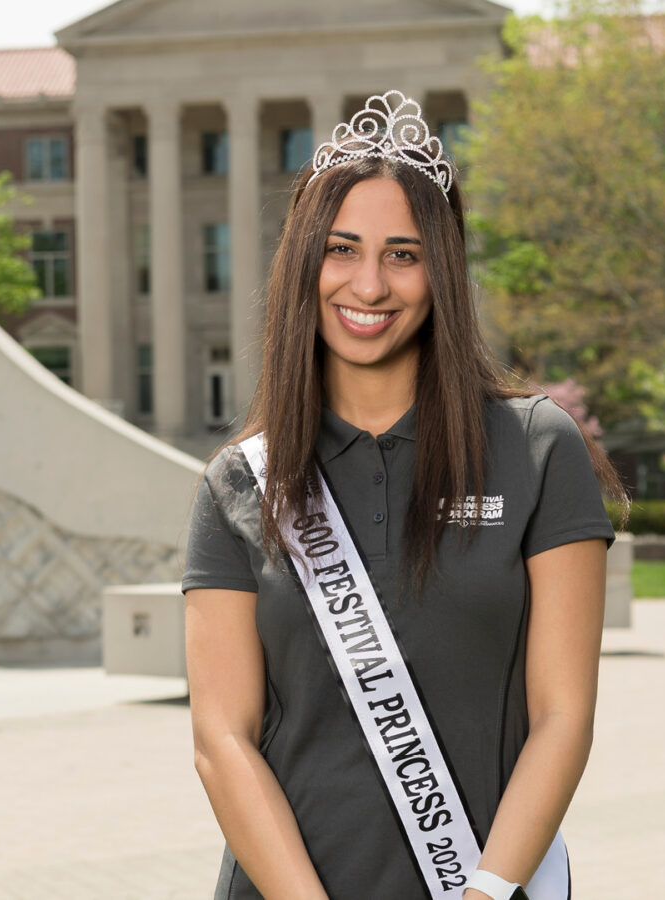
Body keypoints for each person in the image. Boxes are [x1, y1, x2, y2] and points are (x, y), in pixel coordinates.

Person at [181, 90, 629, 900]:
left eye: (403, 254)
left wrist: (488, 890)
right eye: (342, 249)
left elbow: (563, 716)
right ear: (304, 262)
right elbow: (222, 738)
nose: (369, 285)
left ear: (441, 272)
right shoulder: (241, 484)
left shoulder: (535, 447)